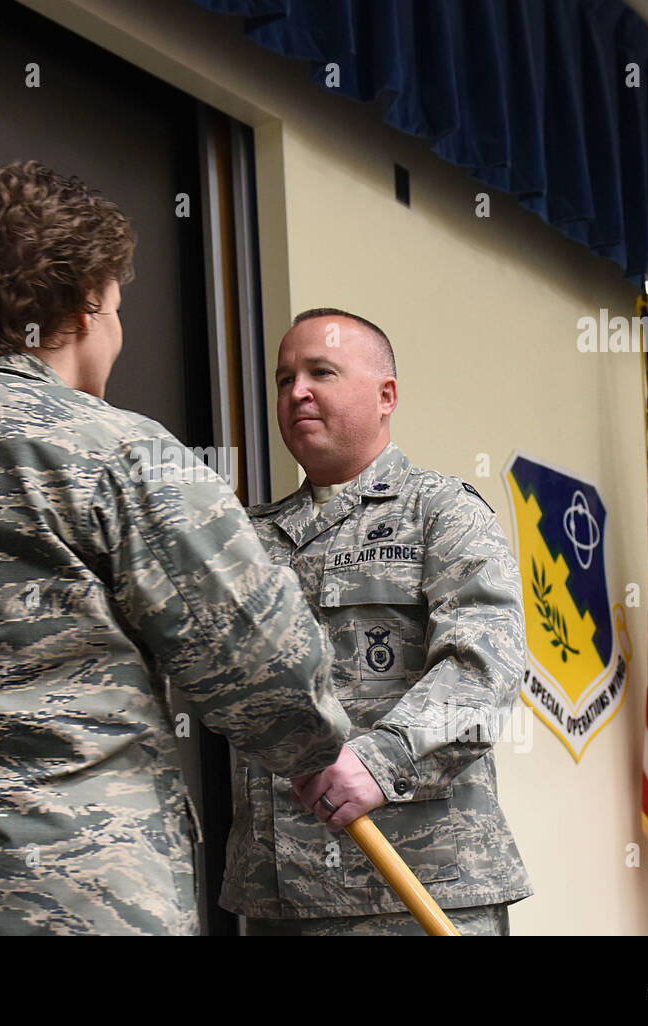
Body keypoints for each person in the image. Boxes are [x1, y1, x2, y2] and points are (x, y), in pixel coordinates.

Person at [0, 160, 349, 936]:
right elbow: (270, 670)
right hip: (78, 897)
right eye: (118, 303)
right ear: (86, 301)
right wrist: (310, 741)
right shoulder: (124, 451)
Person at [220, 308, 533, 936]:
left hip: (418, 884)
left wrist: (383, 760)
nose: (297, 392)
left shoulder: (441, 512)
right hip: (278, 892)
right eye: (284, 379)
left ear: (386, 395)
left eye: (321, 372)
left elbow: (485, 669)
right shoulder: (242, 537)